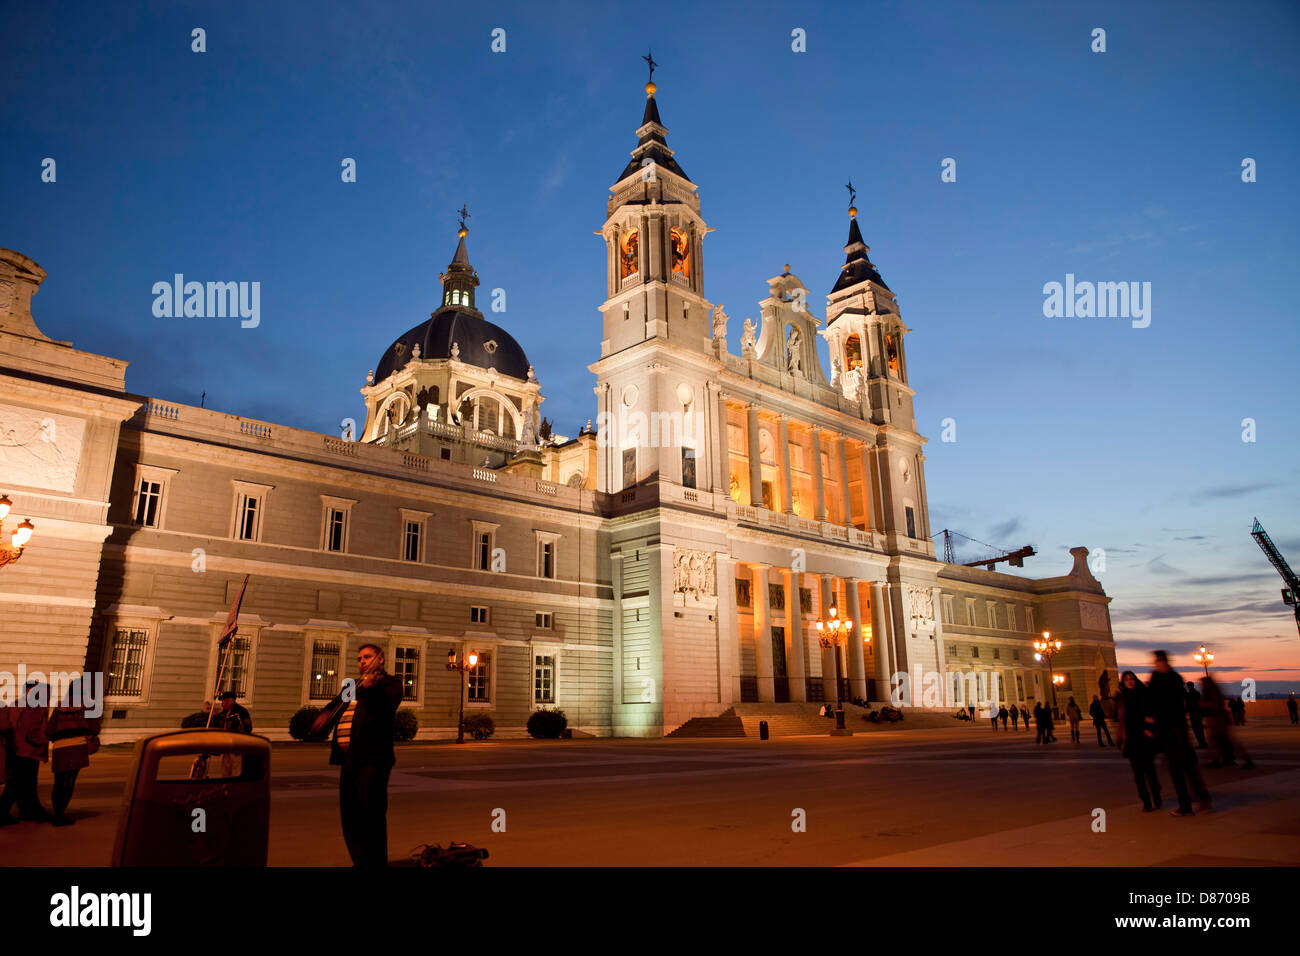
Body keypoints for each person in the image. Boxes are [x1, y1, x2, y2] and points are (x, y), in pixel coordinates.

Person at [310, 643, 403, 867]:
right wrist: (321, 720)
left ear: (380, 659)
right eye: (359, 658)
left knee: (370, 814)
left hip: (372, 759)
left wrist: (371, 689)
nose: (362, 661)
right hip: (349, 760)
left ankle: (375, 863)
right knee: (350, 816)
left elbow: (386, 707)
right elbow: (334, 708)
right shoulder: (353, 685)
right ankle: (361, 861)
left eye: (367, 657)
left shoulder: (389, 684)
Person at [1148, 651, 1210, 817]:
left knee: (1183, 768)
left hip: (1175, 730)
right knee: (1182, 769)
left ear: (1162, 662)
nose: (1157, 664)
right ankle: (1194, 802)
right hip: (1171, 730)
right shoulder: (1172, 677)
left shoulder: (1167, 679)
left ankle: (1191, 803)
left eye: (1158, 661)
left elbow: (1160, 702)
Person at [45, 678, 102, 827]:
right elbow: (95, 728)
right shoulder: (89, 706)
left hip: (59, 748)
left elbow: (50, 729)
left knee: (58, 782)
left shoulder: (59, 706)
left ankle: (56, 814)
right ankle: (60, 816)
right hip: (77, 746)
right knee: (69, 782)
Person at [0, 681, 52, 823]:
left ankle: (29, 810)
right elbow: (31, 730)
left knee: (23, 783)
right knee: (18, 784)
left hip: (17, 749)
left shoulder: (18, 704)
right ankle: (7, 812)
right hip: (28, 750)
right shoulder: (35, 707)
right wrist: (41, 741)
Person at [1116, 670, 1162, 811]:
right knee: (1138, 773)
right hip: (1132, 739)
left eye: (1131, 679)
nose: (1130, 681)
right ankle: (1146, 801)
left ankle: (1156, 796)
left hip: (1145, 737)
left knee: (1150, 770)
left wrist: (1147, 725)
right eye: (1126, 680)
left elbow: (1151, 714)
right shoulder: (1122, 699)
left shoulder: (1143, 695)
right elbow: (1122, 719)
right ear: (1123, 683)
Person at [1201, 675, 1254, 770]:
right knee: (1222, 741)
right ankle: (1220, 759)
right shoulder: (1215, 691)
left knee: (1218, 741)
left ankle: (1217, 760)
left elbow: (1215, 704)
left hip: (1217, 720)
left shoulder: (1212, 692)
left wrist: (1203, 704)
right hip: (1218, 719)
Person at [1185, 681, 1208, 748]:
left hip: (1195, 713)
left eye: (1188, 686)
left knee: (1197, 729)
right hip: (1196, 713)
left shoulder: (1193, 693)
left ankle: (1202, 743)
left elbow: (1190, 700)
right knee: (1198, 729)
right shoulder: (1195, 693)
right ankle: (1202, 743)